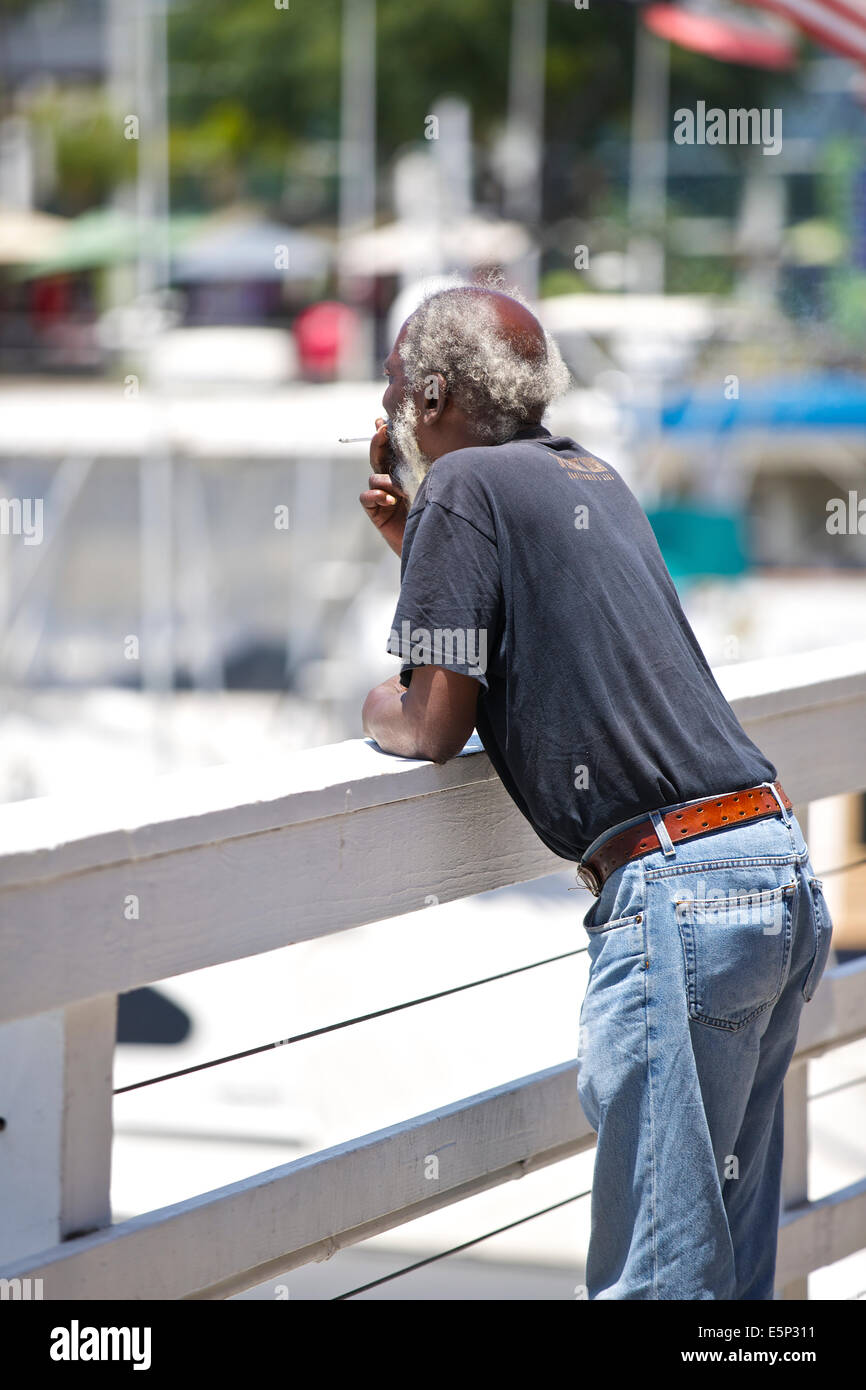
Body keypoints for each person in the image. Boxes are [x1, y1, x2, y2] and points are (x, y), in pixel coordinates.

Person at [359, 282, 833, 1300]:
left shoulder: (460, 486)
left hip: (677, 900)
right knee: (729, 1289)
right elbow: (529, 631)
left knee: (654, 1287)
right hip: (769, 865)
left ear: (432, 390)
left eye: (395, 389)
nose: (390, 410)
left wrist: (376, 703)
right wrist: (420, 559)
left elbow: (434, 720)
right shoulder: (591, 476)